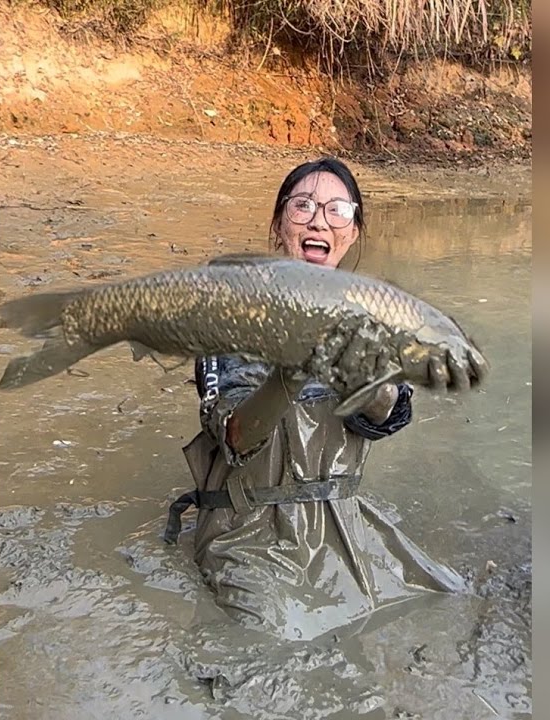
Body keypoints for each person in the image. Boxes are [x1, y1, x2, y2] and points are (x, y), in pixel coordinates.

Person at [163, 157, 466, 641]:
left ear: (353, 230)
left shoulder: (376, 316)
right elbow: (235, 438)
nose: (319, 220)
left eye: (337, 209)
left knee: (449, 599)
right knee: (271, 641)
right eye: (302, 206)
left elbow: (386, 418)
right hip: (249, 529)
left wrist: (377, 378)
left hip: (341, 521)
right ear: (279, 223)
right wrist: (293, 369)